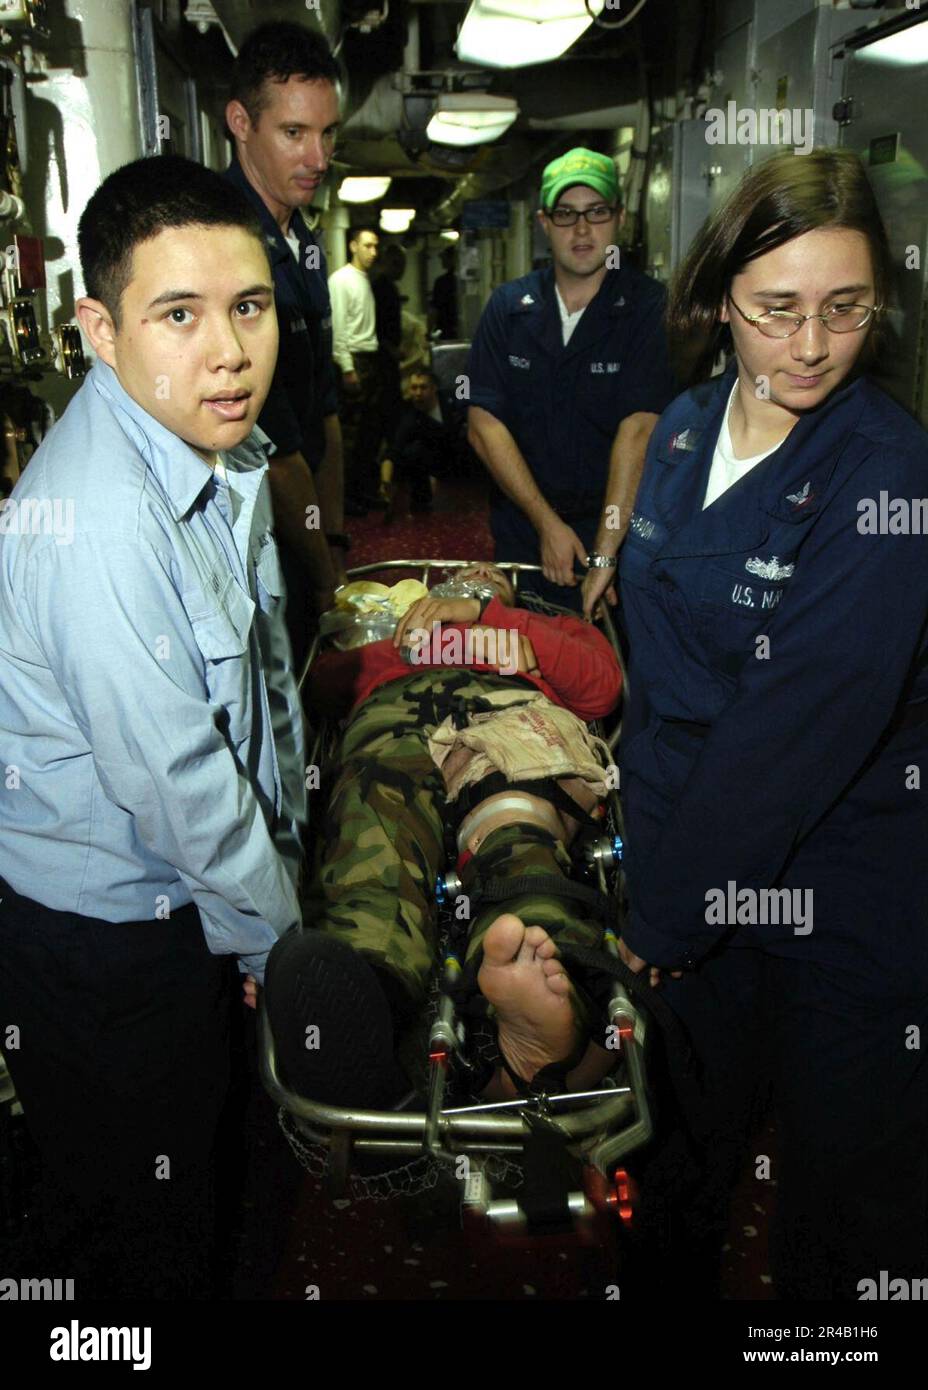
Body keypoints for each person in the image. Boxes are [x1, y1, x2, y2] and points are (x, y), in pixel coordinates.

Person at [616, 147, 928, 1301]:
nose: (809, 347)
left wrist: (661, 911)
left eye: (845, 311)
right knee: (670, 1165)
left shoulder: (888, 478)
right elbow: (658, 664)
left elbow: (794, 733)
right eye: (776, 310)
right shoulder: (686, 430)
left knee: (846, 1214)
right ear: (717, 301)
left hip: (840, 888)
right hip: (689, 865)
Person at [0, 155, 305, 1299]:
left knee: (203, 1191)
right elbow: (182, 787)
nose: (228, 350)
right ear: (96, 327)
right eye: (176, 314)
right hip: (111, 947)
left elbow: (254, 697)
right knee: (144, 1236)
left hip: (185, 904)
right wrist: (281, 945)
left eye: (248, 306)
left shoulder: (207, 445)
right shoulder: (102, 528)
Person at [266, 564, 623, 1110]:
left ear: (512, 591)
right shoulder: (400, 634)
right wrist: (396, 641)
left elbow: (600, 687)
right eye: (464, 572)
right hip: (399, 716)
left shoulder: (539, 625)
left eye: (493, 574)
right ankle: (369, 992)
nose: (478, 572)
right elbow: (319, 691)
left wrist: (500, 623)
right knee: (373, 824)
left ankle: (546, 985)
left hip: (511, 718)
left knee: (515, 825)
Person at [467, 147, 677, 613]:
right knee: (522, 667)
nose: (582, 229)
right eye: (566, 214)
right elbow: (483, 424)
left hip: (617, 534)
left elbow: (639, 431)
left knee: (609, 670)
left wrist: (604, 554)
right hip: (524, 529)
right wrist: (546, 524)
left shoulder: (648, 307)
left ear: (619, 218)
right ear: (544, 223)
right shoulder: (508, 306)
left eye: (596, 212)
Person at [224, 20, 346, 673]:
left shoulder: (303, 245)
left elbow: (323, 410)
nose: (318, 159)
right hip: (249, 549)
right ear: (241, 122)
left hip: (303, 537)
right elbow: (272, 452)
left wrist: (335, 536)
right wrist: (326, 570)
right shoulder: (219, 244)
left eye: (327, 134)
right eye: (294, 133)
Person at [329, 225, 382, 514]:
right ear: (353, 246)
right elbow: (338, 331)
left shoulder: (363, 280)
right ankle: (346, 499)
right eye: (367, 246)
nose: (373, 252)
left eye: (375, 246)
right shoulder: (341, 281)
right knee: (351, 434)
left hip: (369, 358)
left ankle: (364, 491)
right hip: (353, 361)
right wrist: (348, 369)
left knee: (368, 433)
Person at [378, 366, 467, 515]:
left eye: (423, 387)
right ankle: (421, 500)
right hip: (437, 461)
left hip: (461, 456)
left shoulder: (451, 400)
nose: (418, 393)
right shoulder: (409, 418)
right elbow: (393, 451)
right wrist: (385, 481)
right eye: (414, 388)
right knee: (412, 452)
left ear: (434, 389)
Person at [430, 245, 459, 340]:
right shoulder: (461, 281)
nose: (442, 261)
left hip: (445, 331)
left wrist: (429, 331)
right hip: (458, 329)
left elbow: (434, 310)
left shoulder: (441, 282)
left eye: (444, 258)